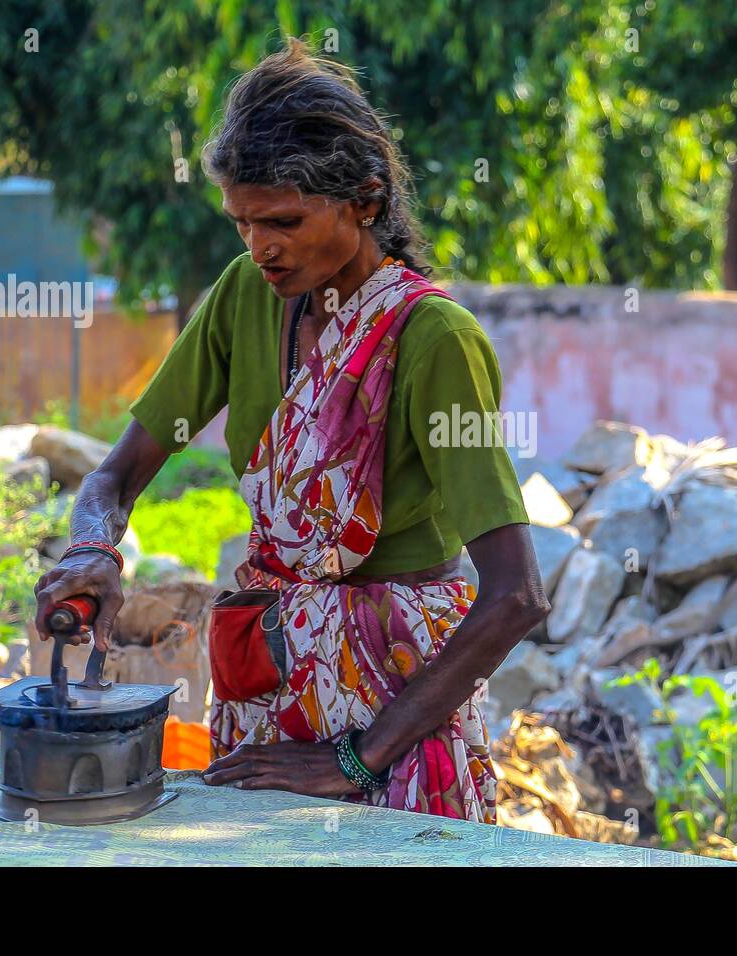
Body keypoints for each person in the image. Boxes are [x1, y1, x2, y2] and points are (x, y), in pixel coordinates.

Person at [32, 39, 549, 824]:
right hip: (265, 695)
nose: (258, 246)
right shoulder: (247, 295)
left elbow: (516, 596)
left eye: (283, 221)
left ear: (365, 201)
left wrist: (356, 757)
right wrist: (90, 551)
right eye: (242, 223)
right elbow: (114, 477)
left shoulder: (432, 340)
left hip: (394, 710)